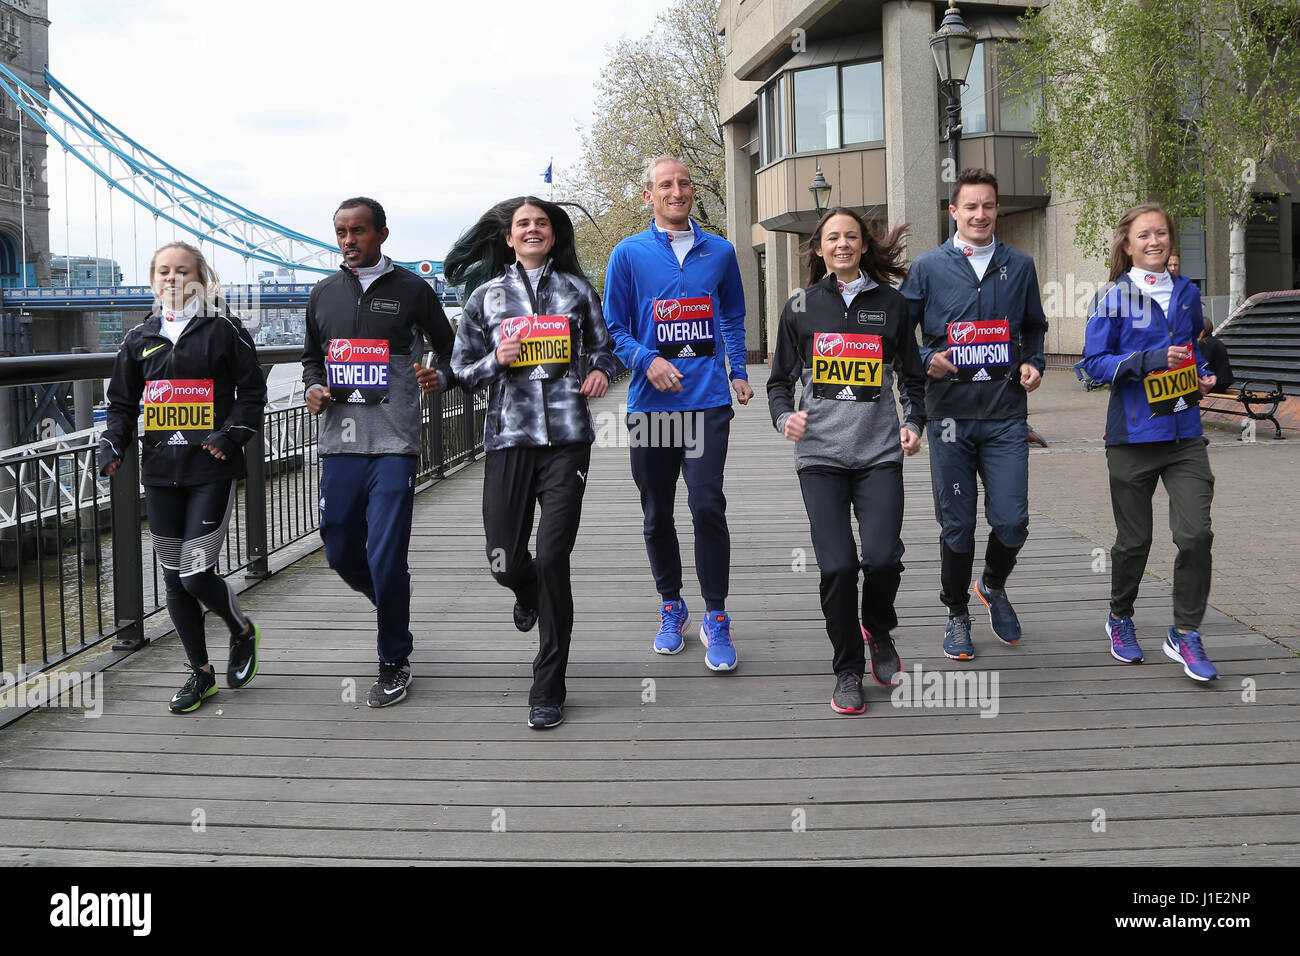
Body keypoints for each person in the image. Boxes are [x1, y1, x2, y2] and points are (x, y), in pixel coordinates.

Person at [445, 197, 616, 730]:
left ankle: (549, 685)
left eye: (541, 222)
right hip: (509, 439)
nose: (533, 229)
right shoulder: (485, 297)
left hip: (568, 441)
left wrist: (601, 371)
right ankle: (523, 594)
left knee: (552, 558)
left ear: (551, 233)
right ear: (509, 238)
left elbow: (606, 349)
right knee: (504, 559)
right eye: (523, 224)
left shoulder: (578, 290)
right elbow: (459, 371)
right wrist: (497, 360)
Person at [768, 208, 925, 714]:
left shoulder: (892, 305)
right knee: (837, 566)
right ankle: (847, 669)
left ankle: (878, 627)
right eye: (832, 238)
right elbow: (777, 383)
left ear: (863, 246)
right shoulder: (800, 307)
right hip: (820, 458)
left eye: (851, 237)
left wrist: (914, 423)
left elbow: (913, 378)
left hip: (878, 454)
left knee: (882, 557)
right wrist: (782, 418)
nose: (841, 244)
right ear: (819, 249)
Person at [301, 197, 456, 708]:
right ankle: (391, 604)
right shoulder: (322, 293)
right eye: (341, 231)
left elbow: (452, 350)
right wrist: (312, 388)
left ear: (382, 234)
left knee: (386, 556)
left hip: (395, 444)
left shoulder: (414, 289)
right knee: (340, 550)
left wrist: (441, 376)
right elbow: (310, 361)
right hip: (339, 445)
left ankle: (394, 656)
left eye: (359, 231)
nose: (348, 240)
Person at [99, 241, 266, 713]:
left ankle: (242, 629)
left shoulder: (225, 330)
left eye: (182, 271)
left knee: (194, 575)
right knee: (174, 577)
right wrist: (113, 444)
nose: (172, 279)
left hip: (210, 469)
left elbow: (252, 392)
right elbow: (122, 406)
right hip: (159, 472)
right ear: (153, 279)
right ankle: (201, 674)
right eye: (163, 272)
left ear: (200, 277)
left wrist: (230, 435)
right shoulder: (139, 338)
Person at [602, 155, 752, 671]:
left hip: (708, 402)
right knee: (656, 513)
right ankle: (672, 605)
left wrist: (737, 370)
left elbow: (731, 313)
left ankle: (716, 614)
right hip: (651, 406)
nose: (677, 190)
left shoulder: (722, 251)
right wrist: (648, 361)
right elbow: (613, 327)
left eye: (684, 182)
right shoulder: (627, 254)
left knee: (708, 503)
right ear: (649, 196)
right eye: (665, 184)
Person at [899, 168, 1048, 661]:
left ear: (996, 210)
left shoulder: (1019, 266)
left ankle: (993, 583)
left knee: (1012, 522)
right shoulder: (927, 268)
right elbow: (899, 339)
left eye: (987, 206)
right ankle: (957, 612)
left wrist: (1033, 361)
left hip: (1005, 414)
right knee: (958, 526)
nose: (980, 214)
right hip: (950, 420)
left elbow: (1033, 328)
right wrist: (924, 360)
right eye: (970, 206)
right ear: (954, 212)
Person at [1081, 202, 1220, 681]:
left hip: (1184, 434)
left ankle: (1185, 632)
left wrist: (1201, 374)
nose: (1154, 241)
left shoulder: (1187, 293)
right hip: (1132, 438)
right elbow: (1092, 366)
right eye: (1144, 235)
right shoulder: (1112, 298)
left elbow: (1194, 347)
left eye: (1162, 233)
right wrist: (1149, 358)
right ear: (1127, 245)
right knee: (1135, 541)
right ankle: (1120, 617)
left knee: (1196, 534)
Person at [1197, 314, 1234, 392]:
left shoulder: (1204, 343)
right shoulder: (1216, 341)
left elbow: (1203, 365)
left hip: (1215, 382)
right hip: (1224, 380)